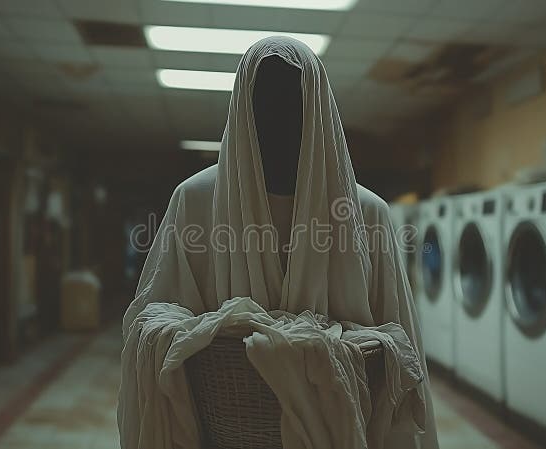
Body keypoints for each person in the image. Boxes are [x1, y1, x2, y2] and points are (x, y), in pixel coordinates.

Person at [120, 36, 439, 448]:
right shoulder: (194, 201)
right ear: (242, 108)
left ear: (317, 109)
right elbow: (156, 321)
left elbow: (399, 342)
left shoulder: (367, 213)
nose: (278, 119)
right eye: (264, 103)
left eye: (293, 104)